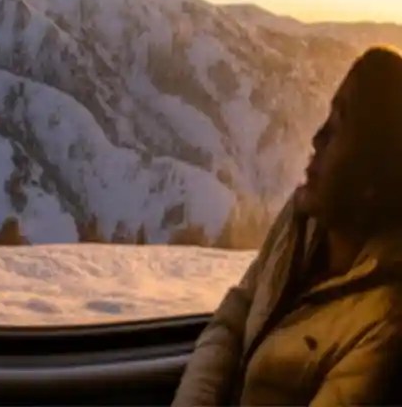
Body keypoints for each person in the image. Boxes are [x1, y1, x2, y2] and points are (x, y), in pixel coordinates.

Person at [172, 46, 402, 406]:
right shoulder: (300, 221)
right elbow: (237, 312)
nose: (316, 138)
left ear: (373, 178)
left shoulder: (382, 322)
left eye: (338, 126)